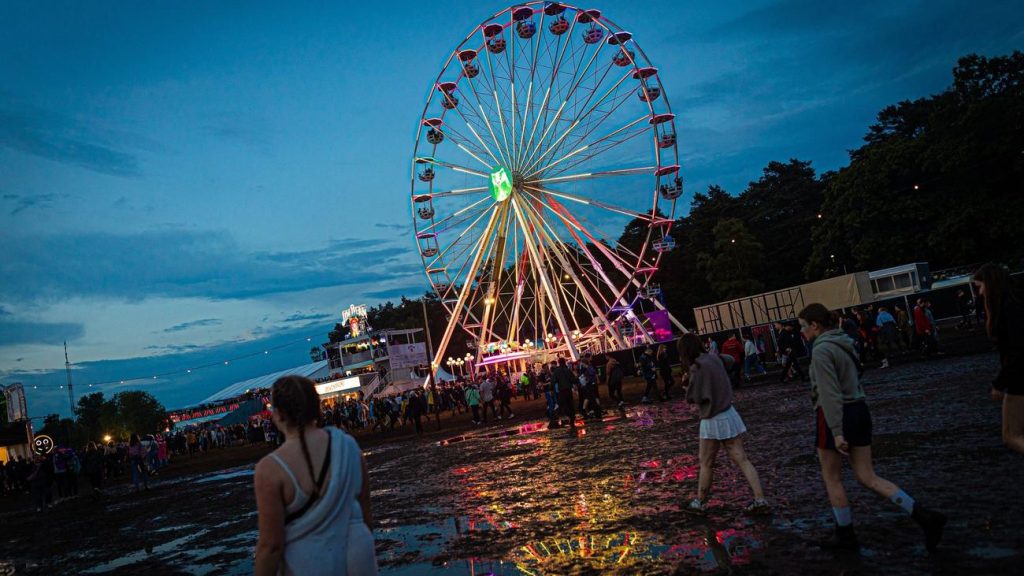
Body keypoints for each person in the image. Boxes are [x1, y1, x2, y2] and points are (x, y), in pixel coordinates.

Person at [798, 303, 946, 552]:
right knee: (868, 476)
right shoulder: (844, 341)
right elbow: (859, 371)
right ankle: (923, 516)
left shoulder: (821, 350)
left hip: (835, 413)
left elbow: (828, 393)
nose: (801, 331)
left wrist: (836, 431)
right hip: (859, 407)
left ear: (815, 325)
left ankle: (845, 536)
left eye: (802, 326)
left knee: (832, 478)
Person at [254, 375, 377, 576]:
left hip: (309, 561)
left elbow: (271, 546)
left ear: (280, 414)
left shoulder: (270, 469)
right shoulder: (348, 445)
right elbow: (365, 512)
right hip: (358, 554)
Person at [680, 333, 770, 514]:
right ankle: (760, 500)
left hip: (712, 418)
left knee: (706, 462)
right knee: (742, 459)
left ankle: (700, 502)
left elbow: (693, 397)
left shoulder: (696, 368)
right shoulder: (714, 358)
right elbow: (730, 360)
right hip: (729, 413)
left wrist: (686, 384)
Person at [972, 264, 1024, 453]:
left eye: (979, 286)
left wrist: (1000, 382)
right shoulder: (1015, 303)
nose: (979, 293)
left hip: (1019, 380)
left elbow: (1017, 351)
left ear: (990, 284)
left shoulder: (1008, 309)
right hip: (1017, 377)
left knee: (1012, 437)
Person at [552, 358, 578, 432]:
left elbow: (553, 380)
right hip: (568, 389)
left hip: (561, 390)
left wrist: (551, 389)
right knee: (570, 403)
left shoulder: (557, 371)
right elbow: (573, 379)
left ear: (559, 363)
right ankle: (572, 416)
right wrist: (576, 381)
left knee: (563, 404)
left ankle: (569, 415)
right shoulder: (567, 370)